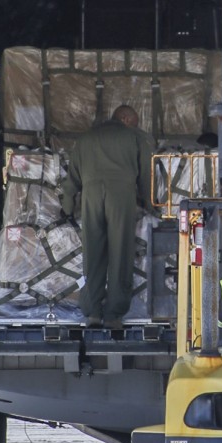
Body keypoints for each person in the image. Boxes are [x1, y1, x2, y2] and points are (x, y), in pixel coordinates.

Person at [62, 105, 153, 328]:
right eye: (135, 121)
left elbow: (71, 180)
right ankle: (113, 314)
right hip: (121, 196)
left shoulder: (85, 139)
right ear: (125, 118)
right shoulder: (136, 137)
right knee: (120, 252)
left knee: (93, 253)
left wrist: (66, 209)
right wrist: (151, 205)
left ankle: (92, 311)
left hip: (90, 196)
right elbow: (146, 175)